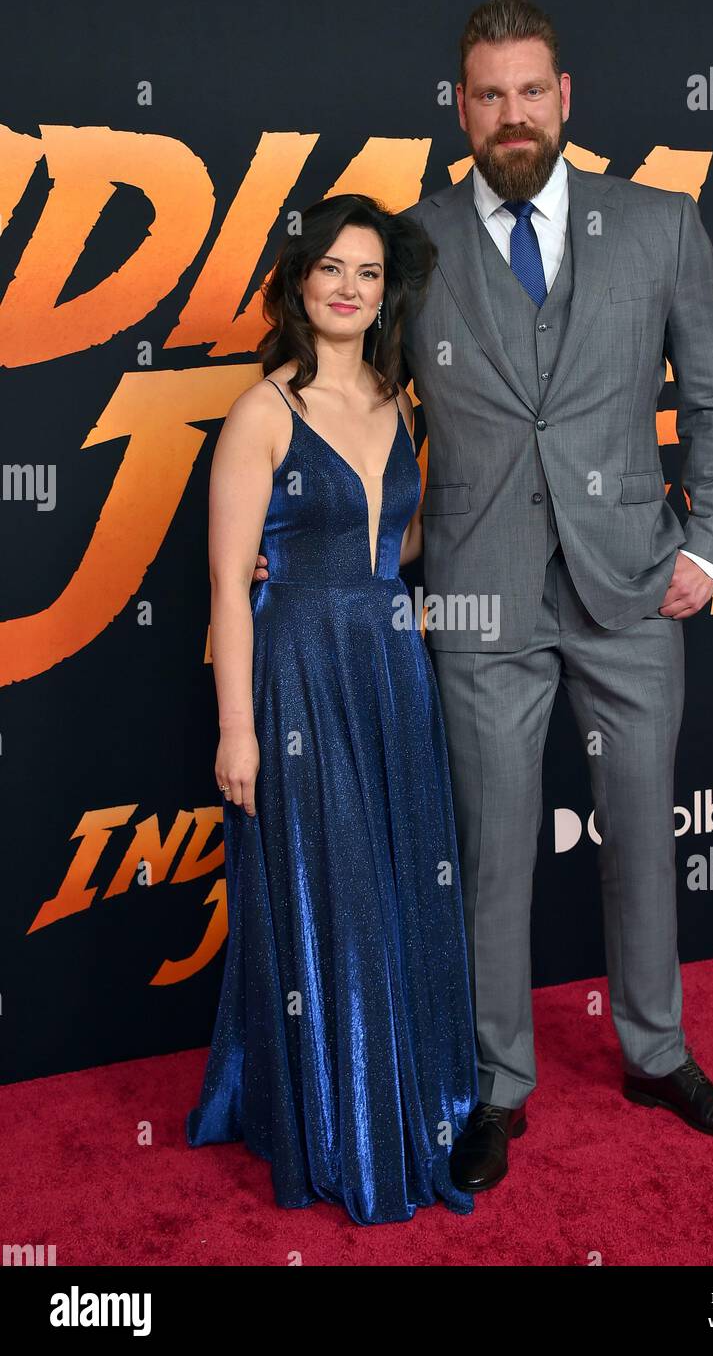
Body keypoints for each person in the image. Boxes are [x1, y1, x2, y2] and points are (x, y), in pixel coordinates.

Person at [256, 0, 713, 1193]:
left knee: (641, 835)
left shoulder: (656, 223)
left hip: (634, 585)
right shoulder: (411, 246)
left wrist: (708, 551)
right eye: (488, 95)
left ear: (564, 96)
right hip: (477, 601)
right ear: (460, 107)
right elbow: (343, 389)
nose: (511, 114)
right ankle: (494, 1085)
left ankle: (654, 1051)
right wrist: (298, 521)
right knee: (487, 852)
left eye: (530, 91)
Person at [185, 193, 478, 1226]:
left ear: (383, 289)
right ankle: (344, 1131)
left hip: (390, 663)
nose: (348, 288)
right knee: (336, 899)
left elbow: (388, 541)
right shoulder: (262, 412)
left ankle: (409, 1107)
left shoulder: (399, 402)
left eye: (366, 272)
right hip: (298, 672)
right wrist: (237, 728)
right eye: (330, 270)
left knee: (396, 887)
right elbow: (227, 586)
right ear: (299, 284)